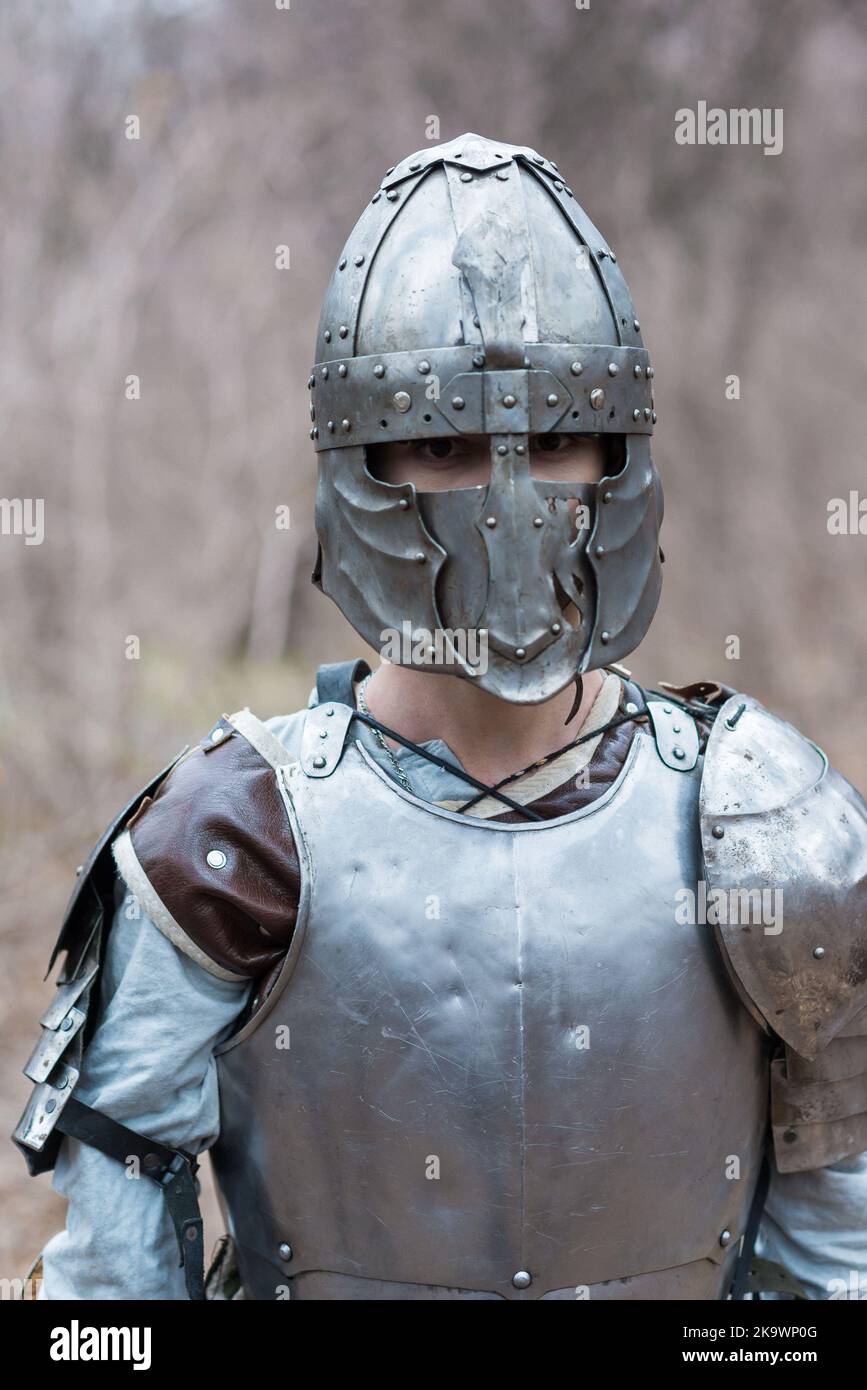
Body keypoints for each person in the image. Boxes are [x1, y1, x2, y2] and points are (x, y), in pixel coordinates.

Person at [14, 133, 867, 1301]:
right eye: (444, 448)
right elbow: (113, 1295)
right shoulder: (238, 839)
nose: (506, 503)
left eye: (557, 440)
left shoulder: (766, 824)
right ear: (358, 466)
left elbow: (832, 1266)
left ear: (620, 458)